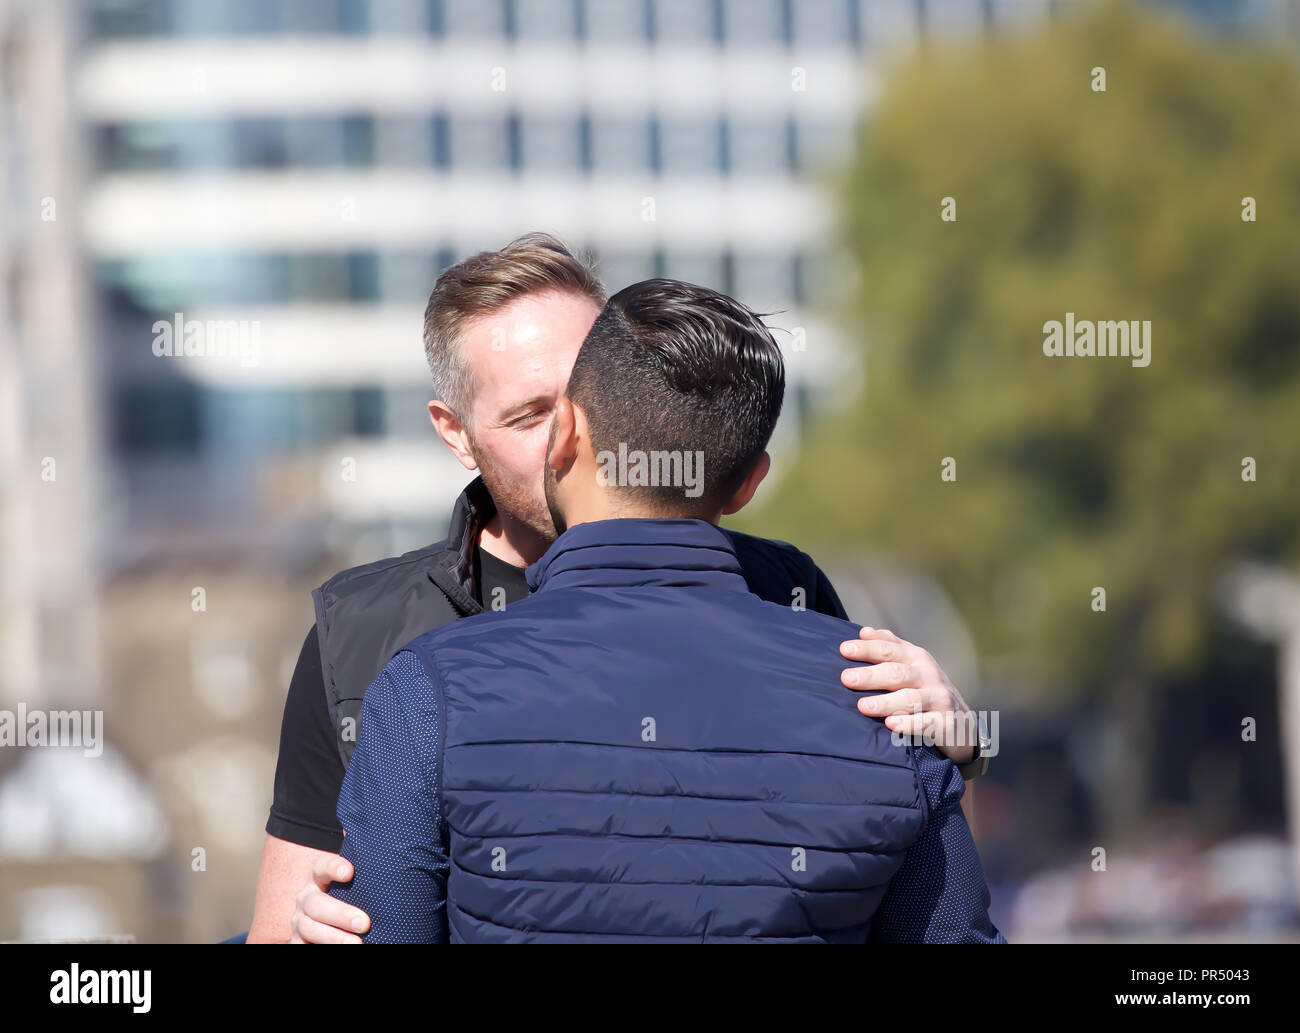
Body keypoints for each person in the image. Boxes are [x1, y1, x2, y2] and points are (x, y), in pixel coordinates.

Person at [248, 234, 985, 944]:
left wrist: (951, 739)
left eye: (586, 390)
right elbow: (284, 924)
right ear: (455, 431)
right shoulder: (361, 635)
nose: (579, 432)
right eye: (527, 413)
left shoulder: (783, 586)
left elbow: (871, 837)